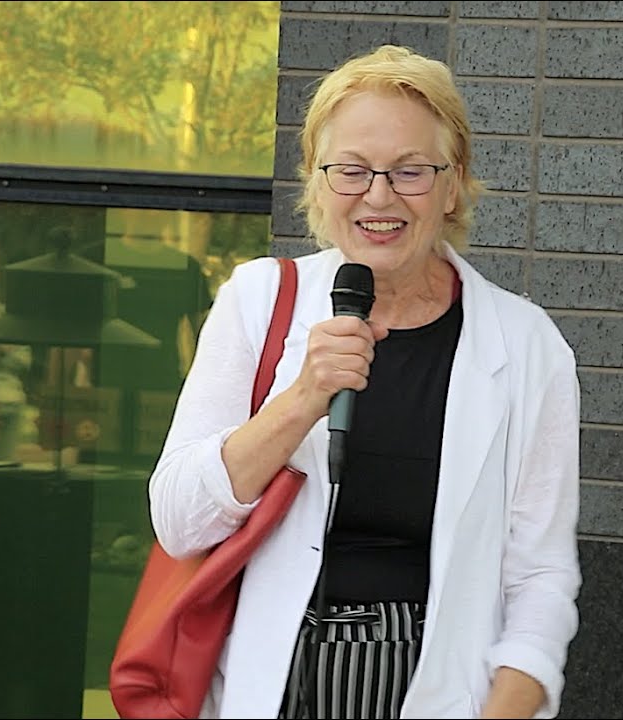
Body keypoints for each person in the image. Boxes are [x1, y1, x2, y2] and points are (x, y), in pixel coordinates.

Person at [147, 45, 582, 719]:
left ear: (454, 182)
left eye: (409, 171)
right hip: (267, 686)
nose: (378, 197)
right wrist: (299, 400)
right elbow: (179, 521)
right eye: (351, 170)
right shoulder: (259, 302)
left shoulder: (527, 348)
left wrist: (506, 708)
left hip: (429, 687)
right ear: (317, 182)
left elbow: (541, 575)